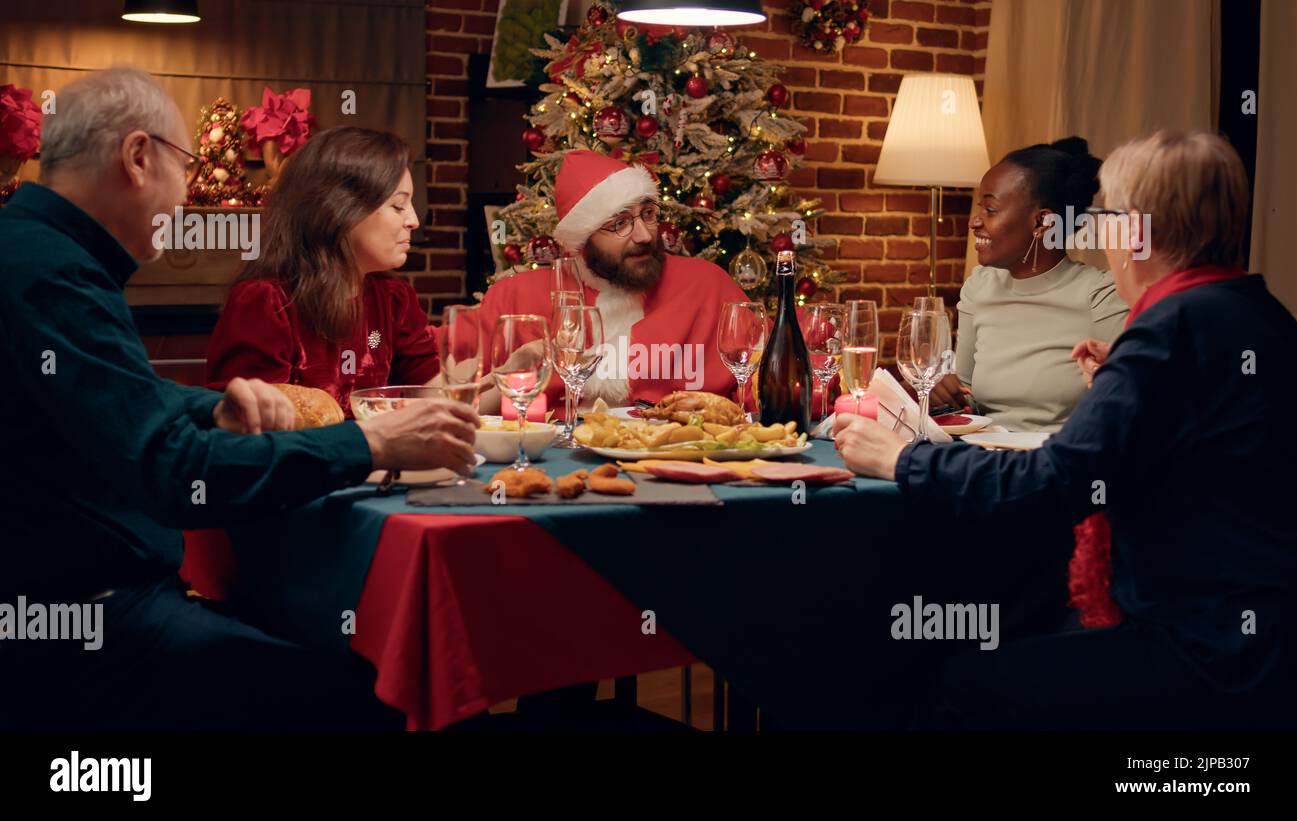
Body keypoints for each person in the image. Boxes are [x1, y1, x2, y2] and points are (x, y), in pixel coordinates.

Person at [0, 67, 479, 730]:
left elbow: (111, 399)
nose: (187, 191)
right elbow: (171, 474)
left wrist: (208, 406)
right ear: (139, 158)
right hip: (77, 624)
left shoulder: (36, 251)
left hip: (91, 600)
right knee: (363, 690)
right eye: (186, 164)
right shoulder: (50, 271)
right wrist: (368, 443)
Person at [834, 130, 1297, 730]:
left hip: (1212, 652)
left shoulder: (1167, 329)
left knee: (951, 677)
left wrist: (901, 459)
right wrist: (1121, 387)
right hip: (1269, 635)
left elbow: (1055, 482)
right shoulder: (1259, 313)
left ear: (1134, 232)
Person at [477, 149, 748, 411]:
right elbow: (455, 402)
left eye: (648, 214)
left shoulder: (707, 285)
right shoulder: (514, 297)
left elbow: (773, 370)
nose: (643, 235)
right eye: (620, 223)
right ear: (583, 239)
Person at [206, 127, 439, 417]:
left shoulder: (393, 300)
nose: (414, 220)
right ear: (340, 209)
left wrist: (505, 374)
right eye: (398, 205)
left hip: (378, 461)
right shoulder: (265, 302)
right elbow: (249, 429)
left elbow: (438, 397)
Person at [930, 137, 1129, 432]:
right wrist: (943, 393)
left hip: (1056, 464)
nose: (975, 222)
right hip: (983, 455)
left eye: (990, 210)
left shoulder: (1101, 297)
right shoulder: (979, 287)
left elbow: (1125, 406)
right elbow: (966, 394)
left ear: (1042, 223)